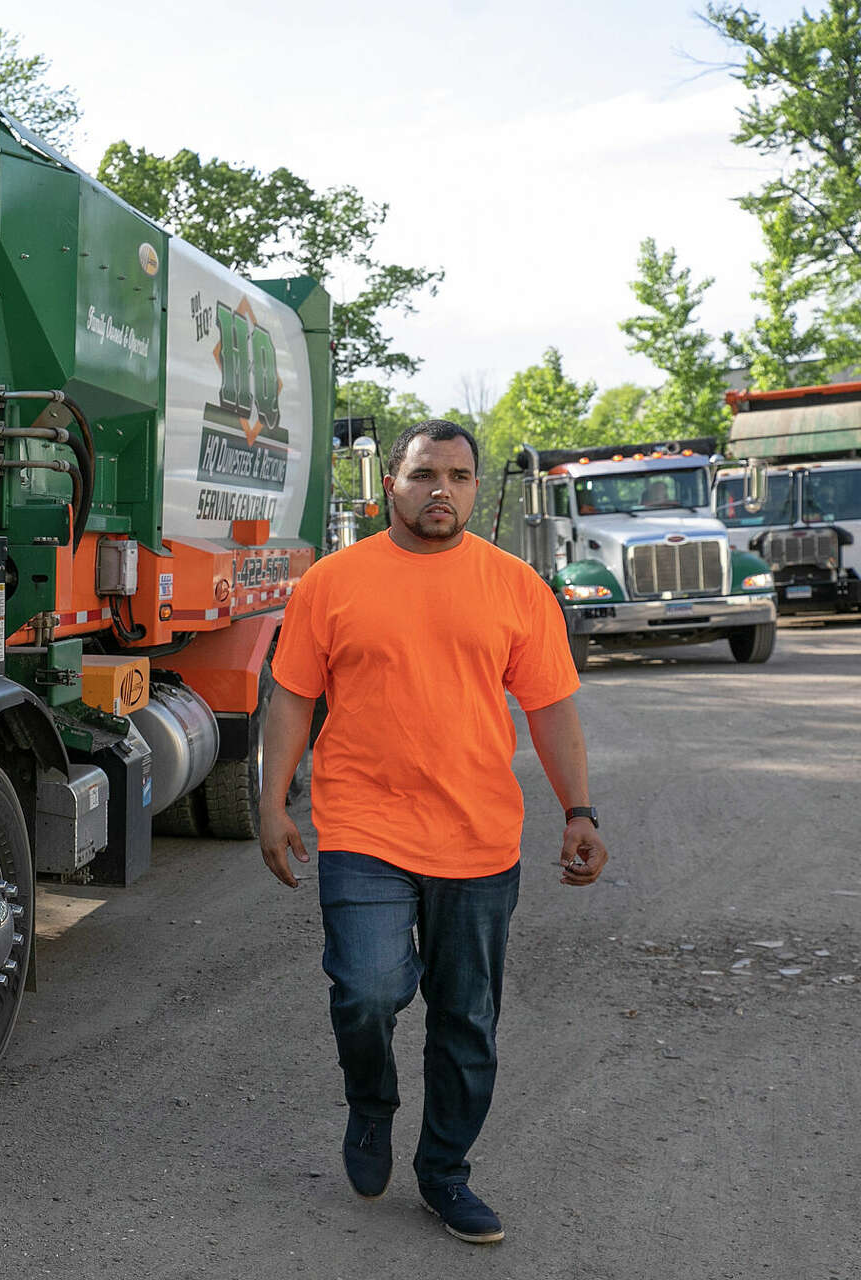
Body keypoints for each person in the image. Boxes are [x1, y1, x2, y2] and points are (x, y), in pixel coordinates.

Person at [257, 419, 607, 1245]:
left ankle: (445, 1172)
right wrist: (272, 803)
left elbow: (552, 709)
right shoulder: (333, 582)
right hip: (363, 825)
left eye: (457, 475)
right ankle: (371, 1105)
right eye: (422, 475)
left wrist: (580, 812)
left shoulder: (516, 585)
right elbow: (292, 697)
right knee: (369, 989)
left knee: (466, 1019)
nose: (440, 489)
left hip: (479, 838)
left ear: (476, 488)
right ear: (391, 486)